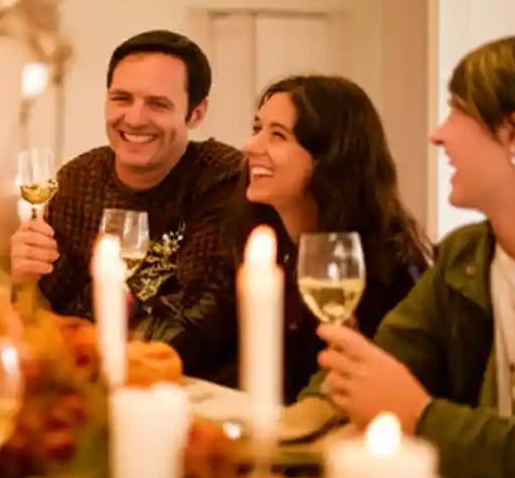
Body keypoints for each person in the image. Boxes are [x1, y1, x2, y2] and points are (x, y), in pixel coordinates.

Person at [302, 32, 515, 478]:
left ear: (513, 131)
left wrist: (424, 419)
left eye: (456, 111)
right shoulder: (464, 257)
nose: (438, 134)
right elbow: (377, 367)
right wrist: (280, 436)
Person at [139, 75, 431, 401]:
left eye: (278, 135)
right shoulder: (258, 242)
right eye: (256, 130)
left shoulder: (385, 267)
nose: (251, 147)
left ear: (330, 158)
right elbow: (198, 331)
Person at [10, 29, 243, 329]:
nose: (134, 119)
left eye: (157, 104)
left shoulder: (222, 178)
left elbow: (195, 320)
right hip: (92, 365)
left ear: (196, 114)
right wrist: (25, 280)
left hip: (184, 372)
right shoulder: (77, 180)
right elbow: (44, 317)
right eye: (122, 99)